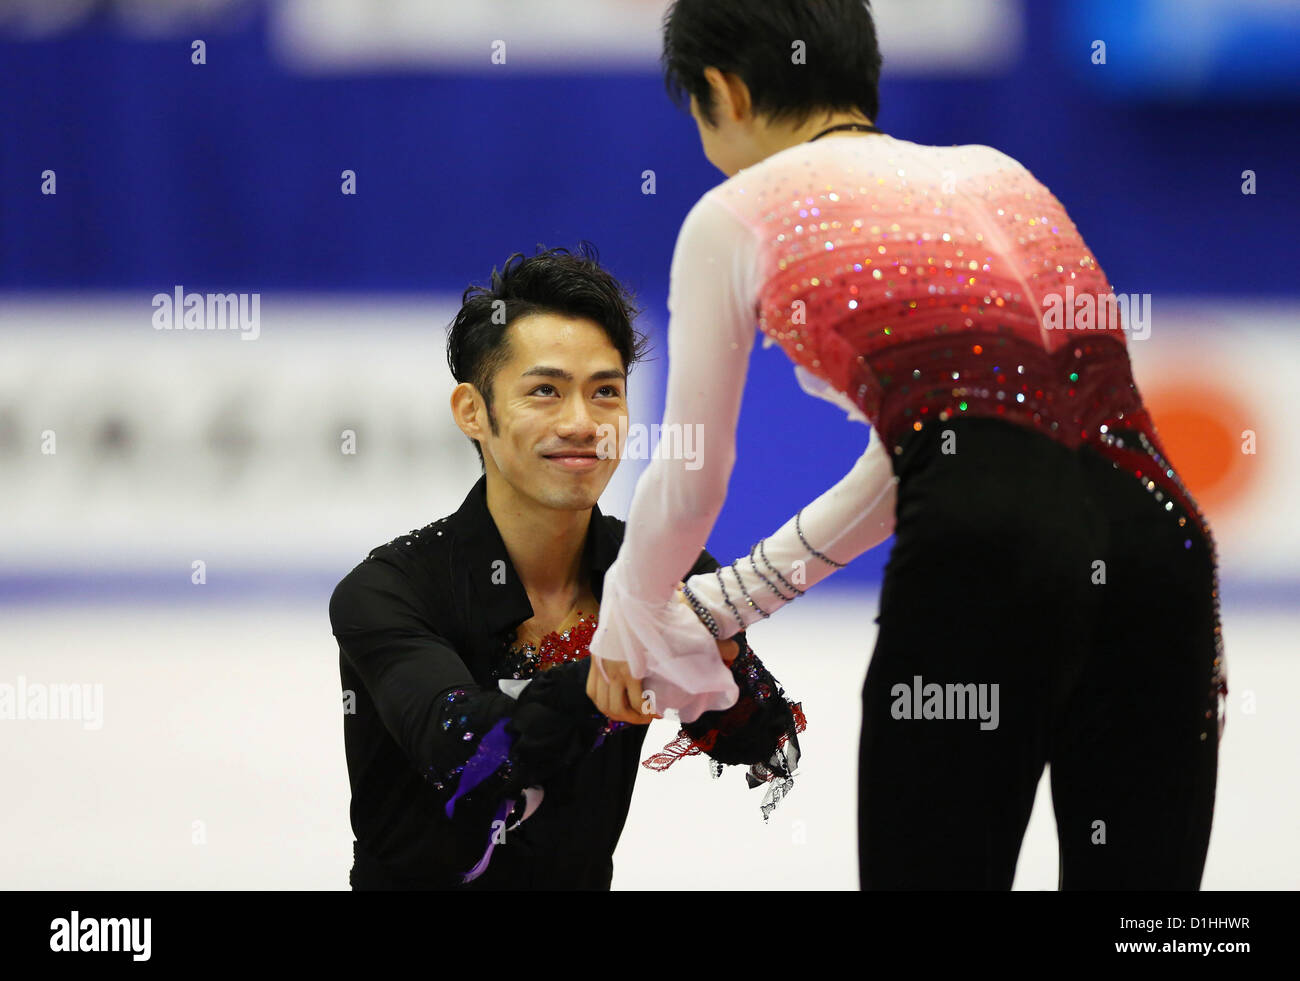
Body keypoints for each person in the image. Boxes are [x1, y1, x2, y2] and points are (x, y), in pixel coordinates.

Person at [587, 0, 1226, 890]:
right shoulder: (1002, 175)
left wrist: (629, 609)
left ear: (723, 93)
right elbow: (957, 447)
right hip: (1166, 547)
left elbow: (692, 472)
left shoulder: (735, 215)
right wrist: (725, 601)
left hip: (987, 551)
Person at [329, 245, 803, 890]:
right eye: (545, 391)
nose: (582, 423)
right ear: (474, 411)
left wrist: (722, 661)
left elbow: (758, 742)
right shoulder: (388, 591)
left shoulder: (665, 572)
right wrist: (612, 665)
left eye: (605, 392)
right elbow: (468, 752)